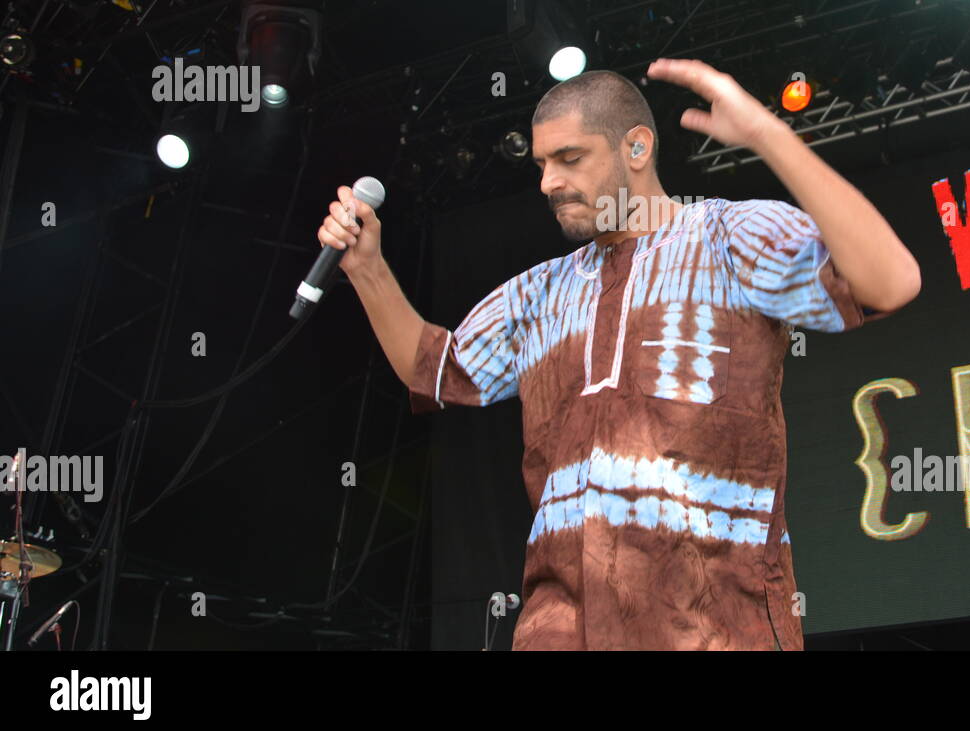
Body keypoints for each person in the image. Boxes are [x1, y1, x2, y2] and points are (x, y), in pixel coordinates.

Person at [318, 58, 921, 650]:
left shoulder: (728, 238)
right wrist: (367, 269)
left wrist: (768, 134)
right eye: (541, 164)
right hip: (560, 630)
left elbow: (889, 282)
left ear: (636, 148)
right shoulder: (539, 292)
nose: (548, 181)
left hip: (715, 627)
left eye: (570, 158)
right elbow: (438, 370)